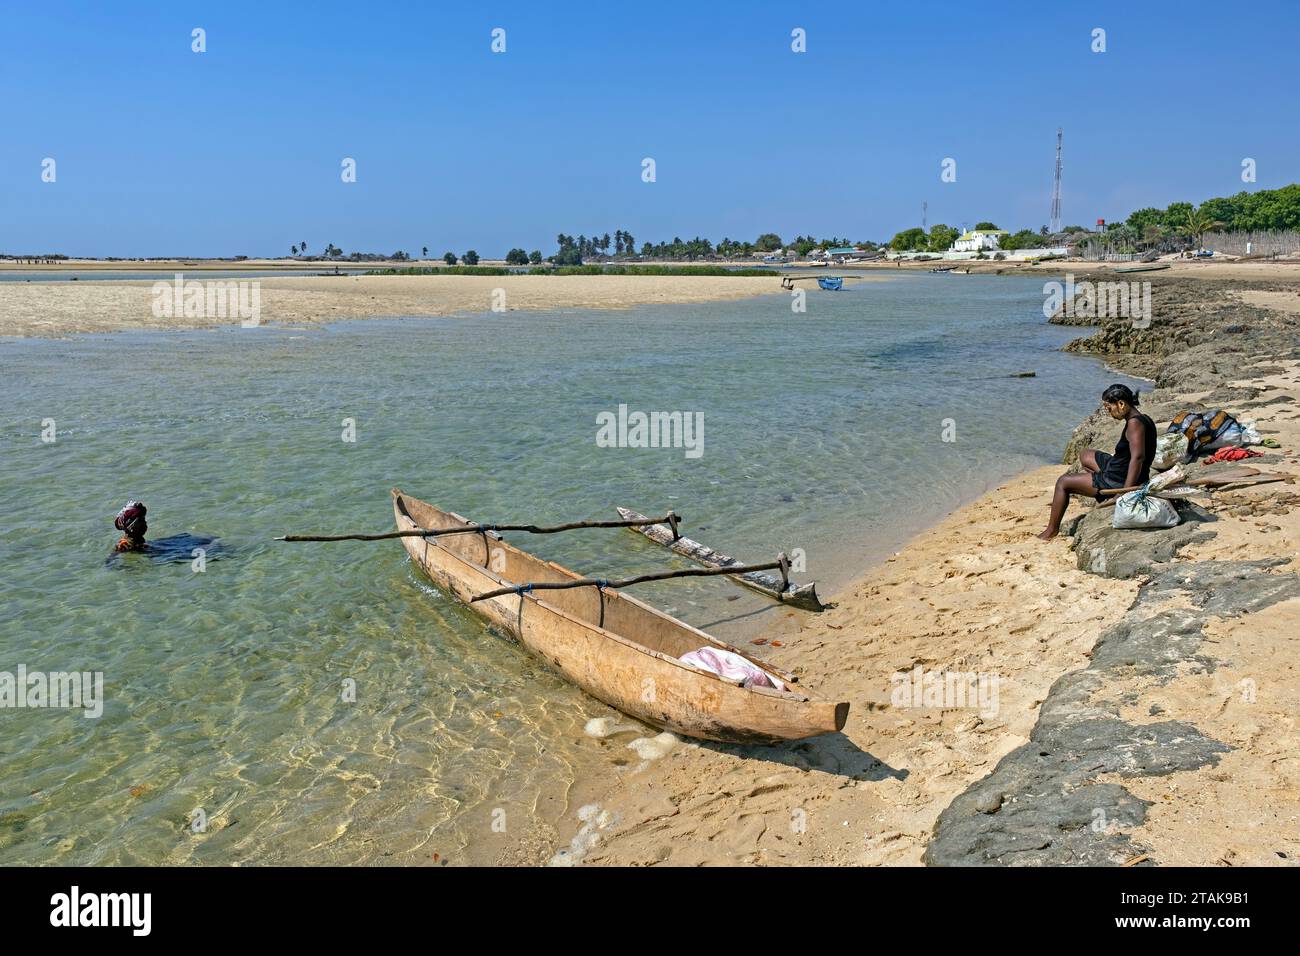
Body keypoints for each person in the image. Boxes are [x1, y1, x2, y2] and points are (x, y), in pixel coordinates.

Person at [1038, 384, 1156, 540]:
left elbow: (1138, 457)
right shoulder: (1144, 419)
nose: (1109, 413)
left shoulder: (1134, 424)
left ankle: (1051, 530)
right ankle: (1096, 486)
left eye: (1109, 408)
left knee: (1063, 482)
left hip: (1118, 479)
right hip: (1117, 466)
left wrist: (1124, 492)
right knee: (1086, 455)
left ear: (1121, 404)